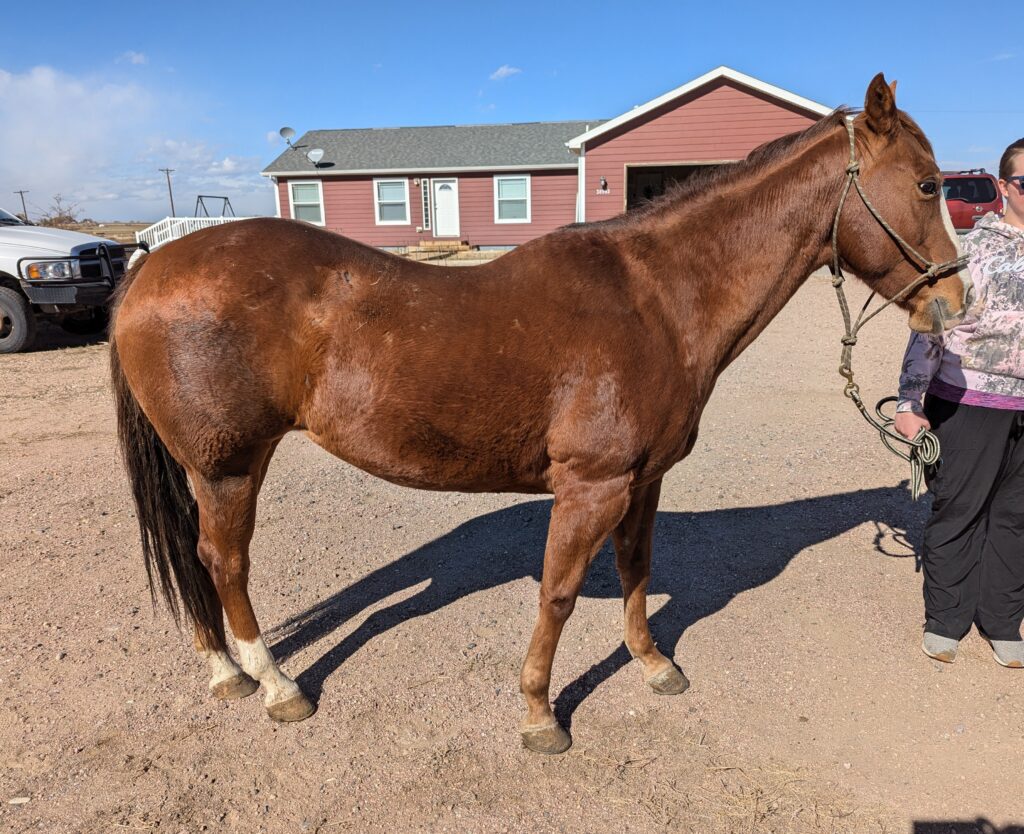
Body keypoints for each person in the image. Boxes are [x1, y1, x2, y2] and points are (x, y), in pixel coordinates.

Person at [895, 138, 1024, 667]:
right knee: (959, 512)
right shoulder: (968, 253)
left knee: (1016, 518)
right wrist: (909, 400)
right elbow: (929, 328)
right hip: (969, 401)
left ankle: (1002, 620)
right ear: (1004, 187)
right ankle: (946, 620)